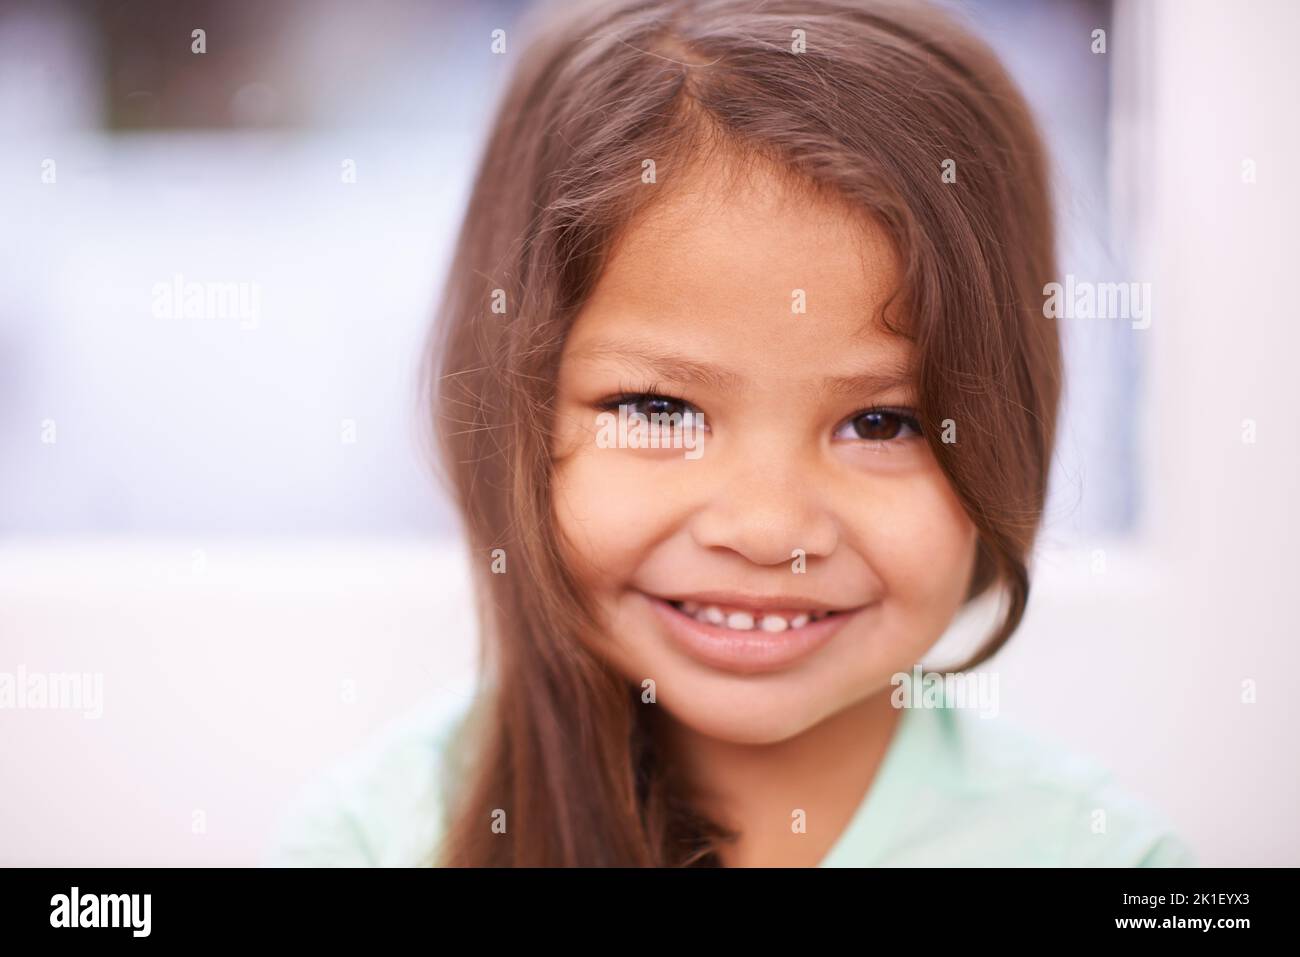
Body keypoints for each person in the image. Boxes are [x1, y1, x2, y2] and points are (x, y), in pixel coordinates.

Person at [268, 0, 1195, 868]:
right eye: (660, 410)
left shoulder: (1103, 853)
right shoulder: (374, 842)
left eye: (882, 421)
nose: (768, 530)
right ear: (513, 406)